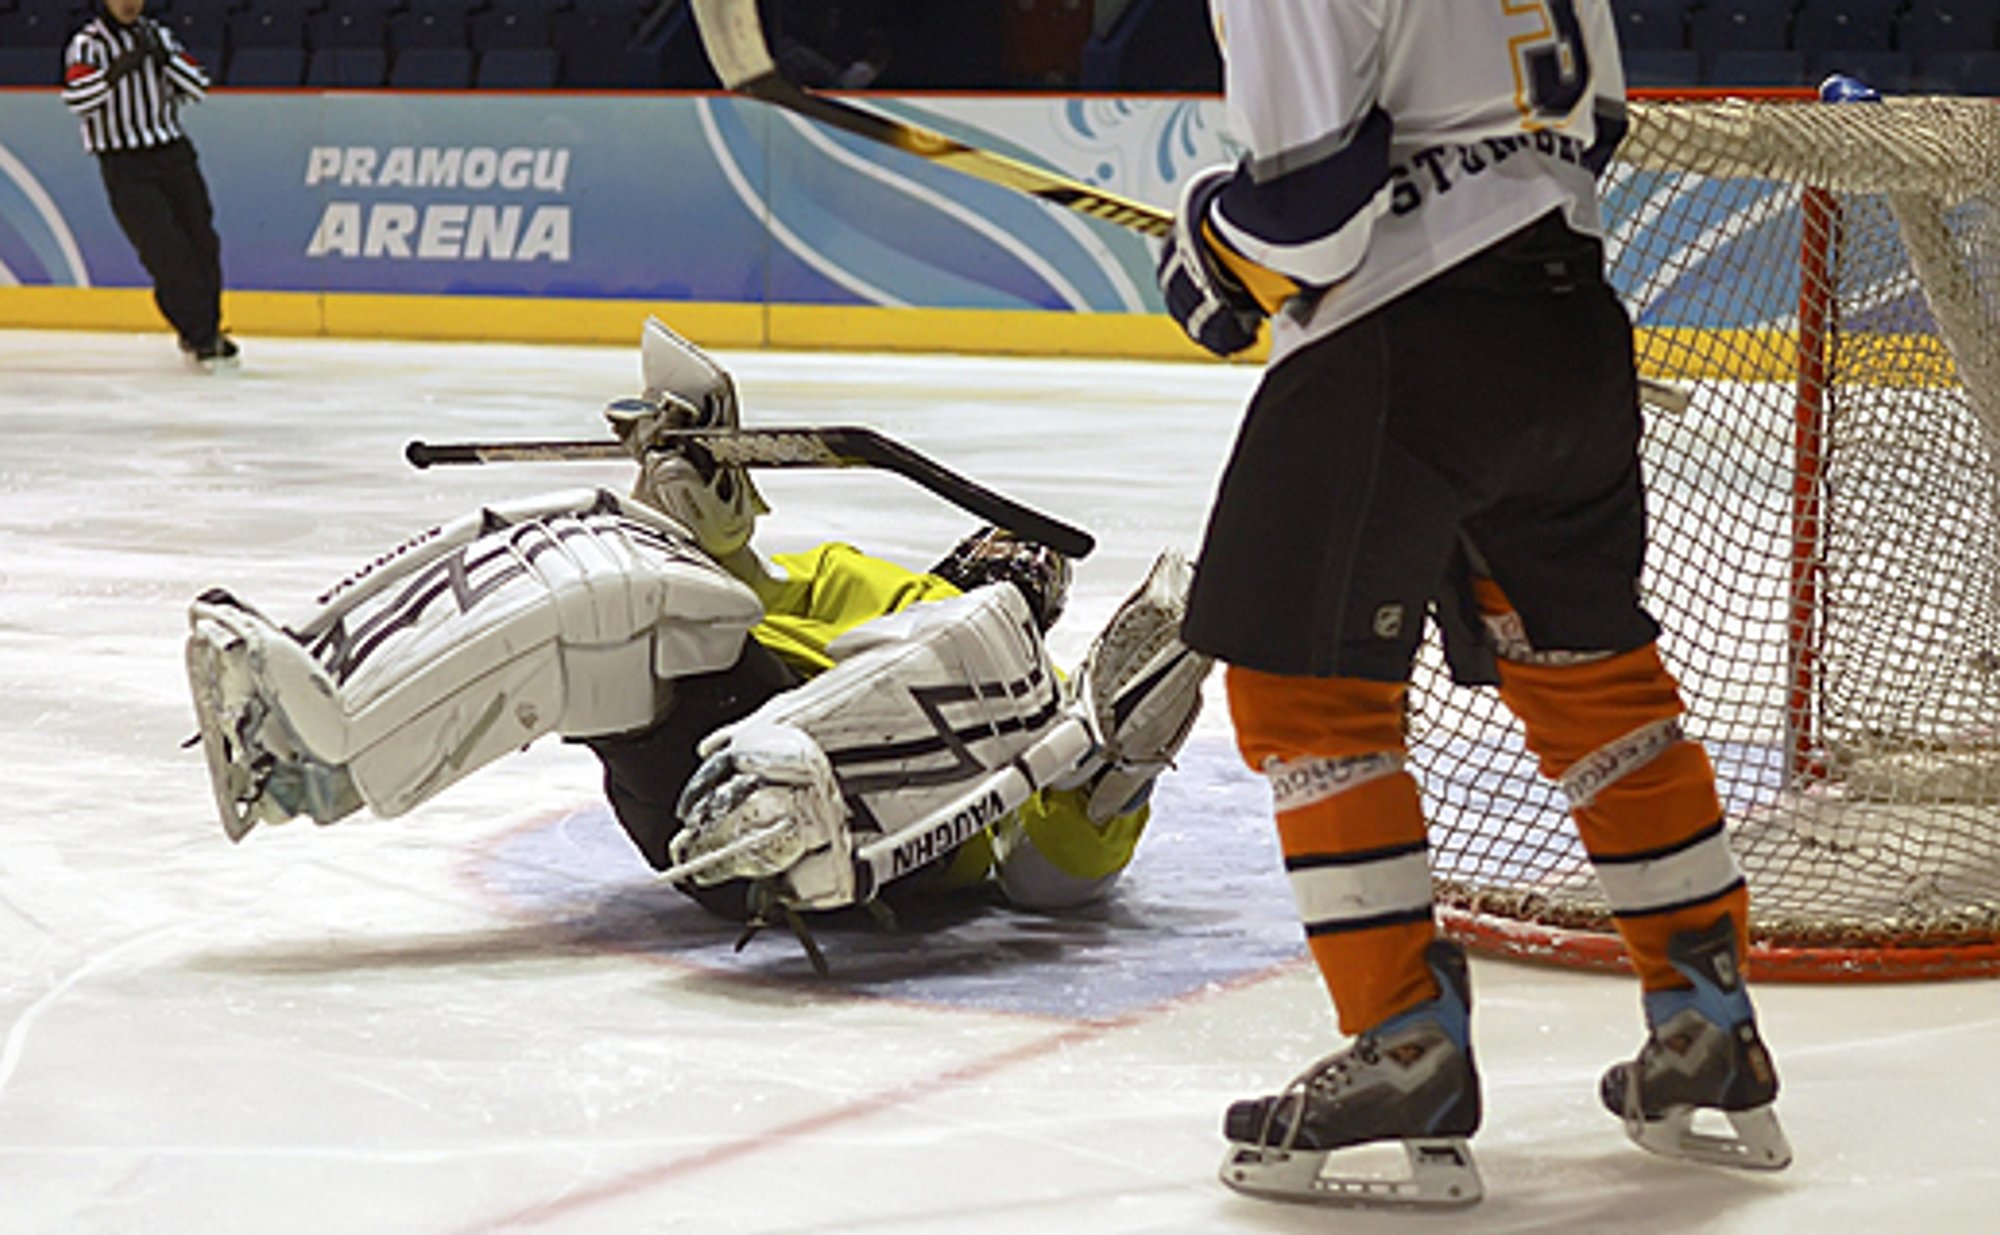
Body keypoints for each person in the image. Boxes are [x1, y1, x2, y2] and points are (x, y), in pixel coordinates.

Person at [1155, 2, 1789, 1209]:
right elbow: (1588, 126)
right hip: (1566, 329)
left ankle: (1405, 1041)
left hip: (1407, 347)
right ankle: (1706, 1018)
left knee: (1304, 693)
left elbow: (1312, 218)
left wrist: (1209, 243)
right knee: (1594, 682)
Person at [182, 317, 1211, 955]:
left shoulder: (1045, 680)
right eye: (1007, 554)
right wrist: (702, 511)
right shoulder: (868, 583)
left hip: (857, 847)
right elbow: (741, 597)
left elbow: (1045, 880)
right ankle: (308, 729)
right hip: (720, 770)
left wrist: (1118, 767)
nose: (1020, 572)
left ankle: (320, 749)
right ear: (962, 550)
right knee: (598, 567)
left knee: (628, 605)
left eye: (1035, 572)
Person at [62, 0, 237, 371]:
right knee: (166, 251)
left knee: (202, 243)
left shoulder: (158, 35)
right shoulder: (87, 45)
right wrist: (115, 73)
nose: (129, 3)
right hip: (126, 164)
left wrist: (165, 60)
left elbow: (198, 86)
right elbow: (79, 100)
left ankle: (204, 330)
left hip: (172, 153)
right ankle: (201, 335)